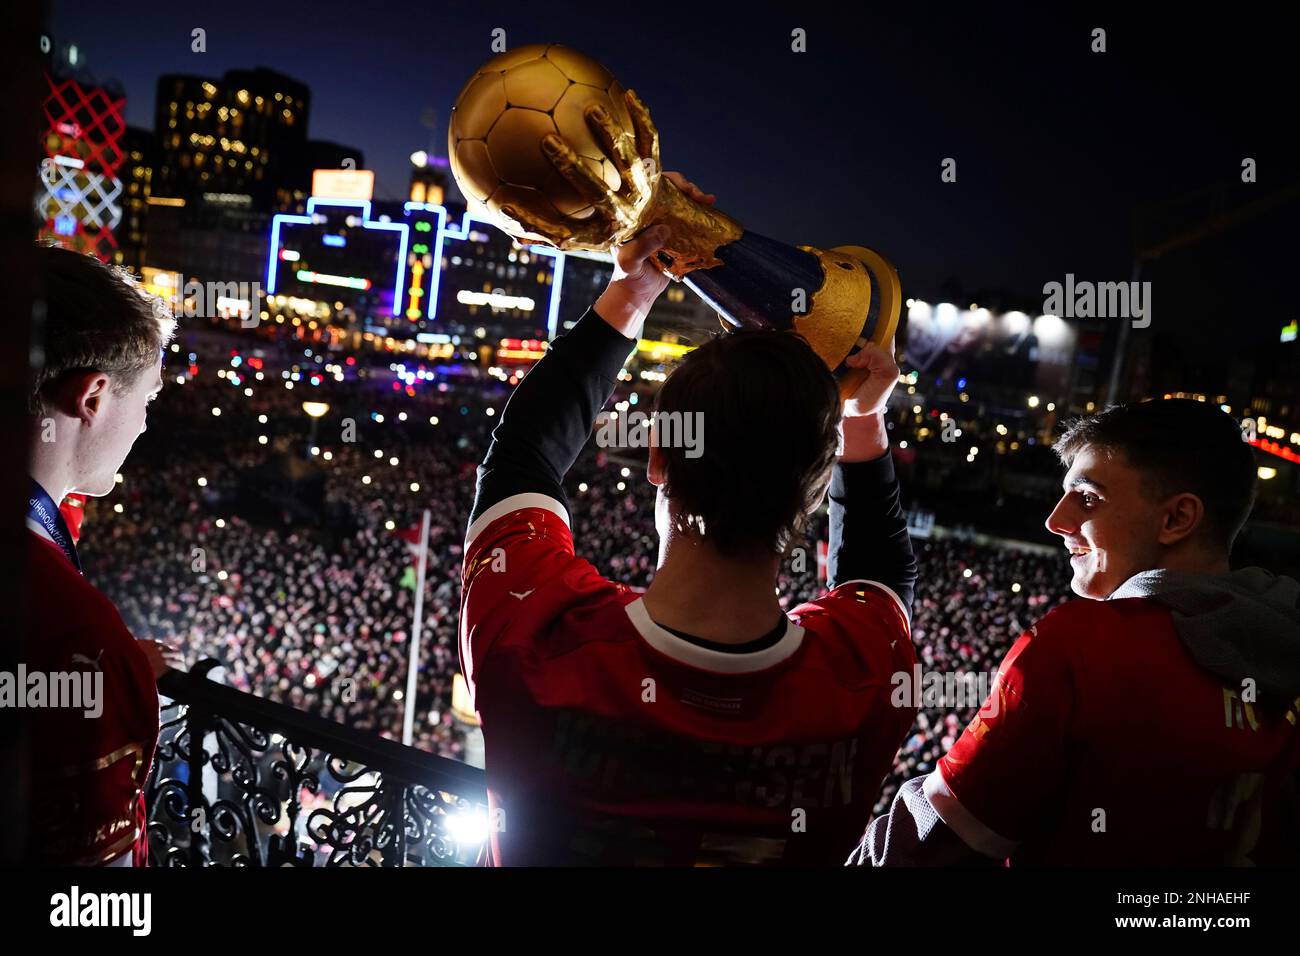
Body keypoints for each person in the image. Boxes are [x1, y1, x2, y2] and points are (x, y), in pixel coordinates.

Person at [458, 172, 917, 865]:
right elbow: (879, 573)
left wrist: (631, 290)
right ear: (816, 492)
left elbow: (522, 458)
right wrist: (861, 418)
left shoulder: (535, 635)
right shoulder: (862, 680)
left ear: (658, 457)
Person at [854, 399, 1300, 866]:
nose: (1055, 521)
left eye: (1087, 498)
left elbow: (933, 844)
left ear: (1176, 519)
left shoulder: (1078, 647)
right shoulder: (1283, 655)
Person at [17, 245, 179, 865]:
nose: (142, 425)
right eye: (148, 400)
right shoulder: (76, 632)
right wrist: (111, 674)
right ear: (93, 397)